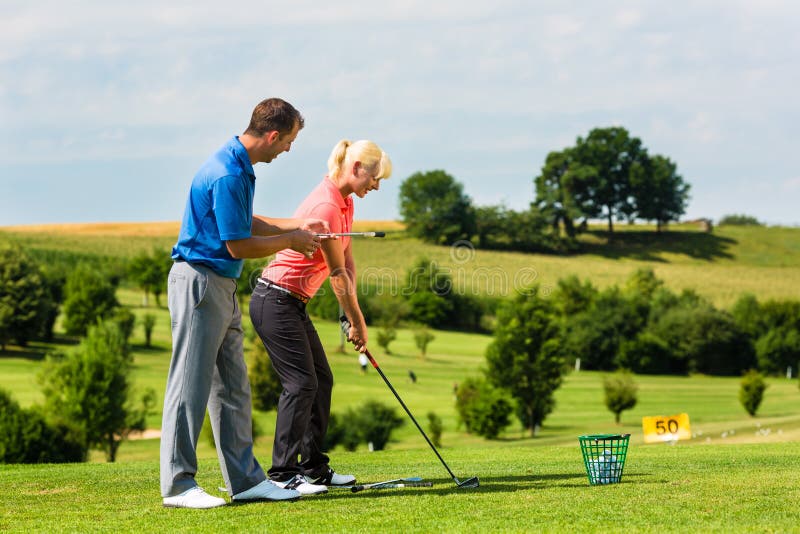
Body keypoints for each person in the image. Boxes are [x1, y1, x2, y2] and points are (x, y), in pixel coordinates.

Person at [160, 98, 331, 509]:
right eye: (288, 141)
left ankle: (245, 480)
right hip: (200, 283)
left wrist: (295, 224)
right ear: (273, 135)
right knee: (189, 386)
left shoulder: (237, 165)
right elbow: (236, 244)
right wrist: (291, 241)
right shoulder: (228, 172)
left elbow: (243, 221)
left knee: (233, 388)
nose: (287, 149)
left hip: (221, 286)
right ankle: (179, 485)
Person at [250, 139, 392, 493]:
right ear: (357, 167)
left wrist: (349, 318)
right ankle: (282, 474)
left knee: (321, 380)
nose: (375, 186)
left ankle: (313, 466)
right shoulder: (328, 204)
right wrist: (358, 322)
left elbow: (347, 261)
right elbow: (336, 274)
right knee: (301, 384)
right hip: (275, 299)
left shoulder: (343, 202)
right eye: (374, 178)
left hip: (292, 303)